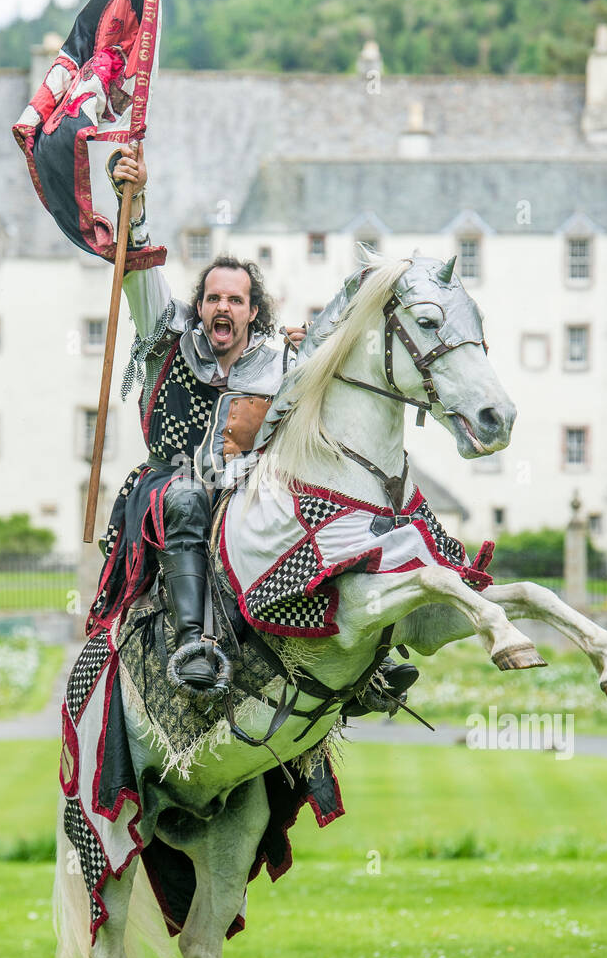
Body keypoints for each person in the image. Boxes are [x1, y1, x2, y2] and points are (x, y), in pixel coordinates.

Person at [90, 145, 417, 705]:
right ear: (201, 305)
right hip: (172, 482)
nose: (223, 306)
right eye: (213, 297)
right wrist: (133, 199)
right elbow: (139, 269)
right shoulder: (167, 337)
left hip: (252, 485)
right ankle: (193, 644)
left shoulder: (280, 363)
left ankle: (367, 664)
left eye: (235, 299)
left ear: (251, 310)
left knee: (324, 508)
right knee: (189, 497)